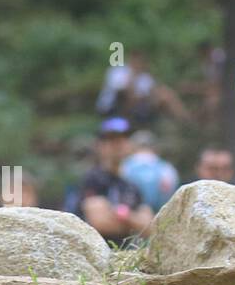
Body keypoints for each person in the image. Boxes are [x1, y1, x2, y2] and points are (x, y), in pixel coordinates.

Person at [73, 118, 153, 246]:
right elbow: (100, 222)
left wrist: (121, 216)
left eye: (123, 139)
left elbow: (149, 227)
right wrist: (133, 221)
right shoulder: (92, 179)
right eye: (111, 140)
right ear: (100, 145)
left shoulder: (132, 185)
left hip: (124, 256)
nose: (118, 144)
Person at [95, 50, 186, 128]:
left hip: (139, 106)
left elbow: (153, 92)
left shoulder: (145, 77)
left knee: (165, 93)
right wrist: (133, 75)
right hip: (112, 107)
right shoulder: (117, 72)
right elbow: (122, 92)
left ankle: (184, 120)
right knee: (127, 95)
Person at [120, 130, 180, 212]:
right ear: (155, 148)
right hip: (161, 214)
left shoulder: (126, 165)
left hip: (131, 214)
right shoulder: (166, 168)